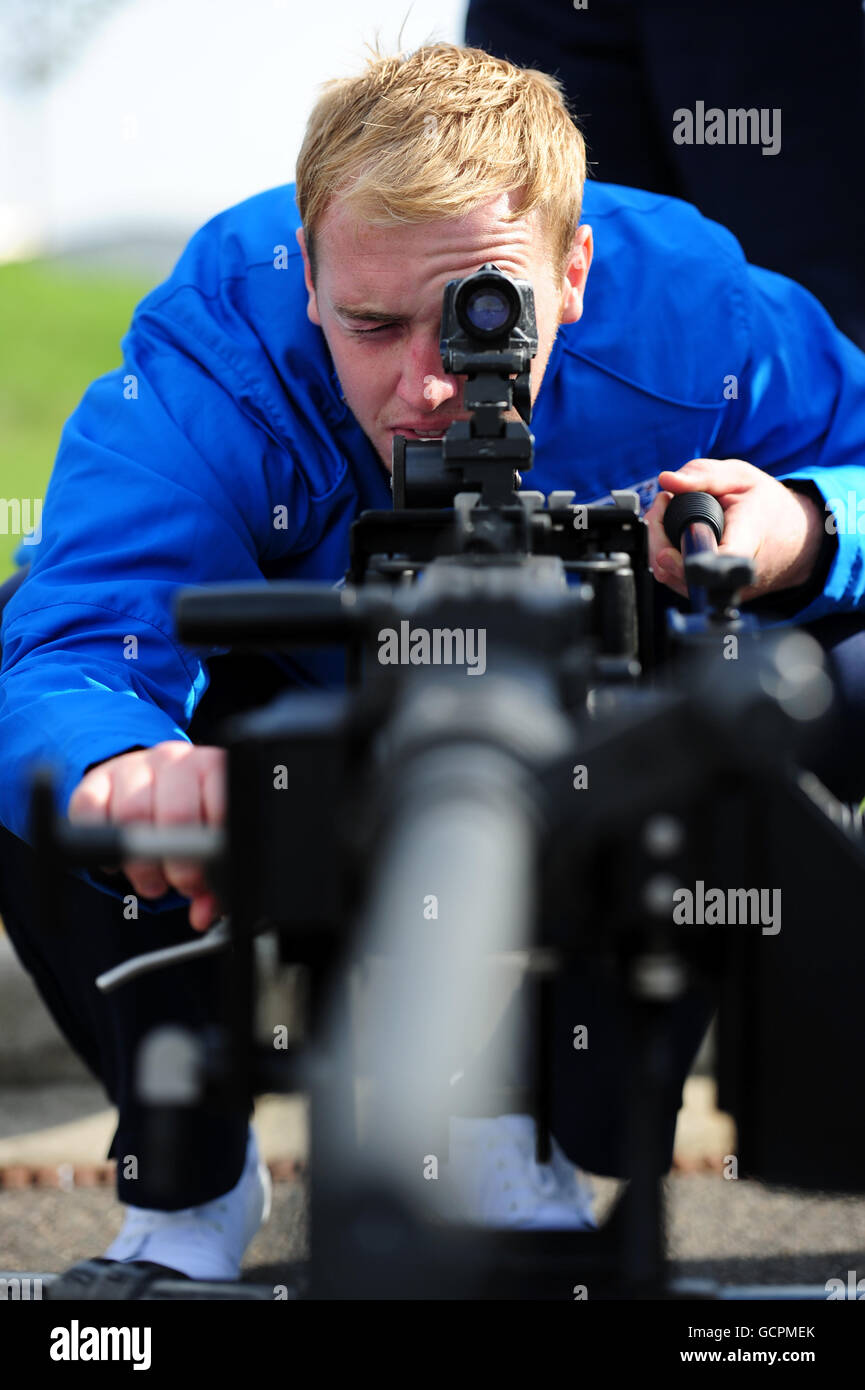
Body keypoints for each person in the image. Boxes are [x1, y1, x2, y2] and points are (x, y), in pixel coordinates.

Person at [1, 40, 865, 1281]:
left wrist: (807, 524)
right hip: (300, 724)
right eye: (368, 323)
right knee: (24, 689)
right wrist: (132, 765)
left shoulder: (696, 312)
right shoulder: (215, 352)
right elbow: (78, 635)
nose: (427, 387)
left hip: (610, 738)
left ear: (574, 271)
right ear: (303, 277)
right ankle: (183, 1192)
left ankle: (541, 1134)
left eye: (479, 316)